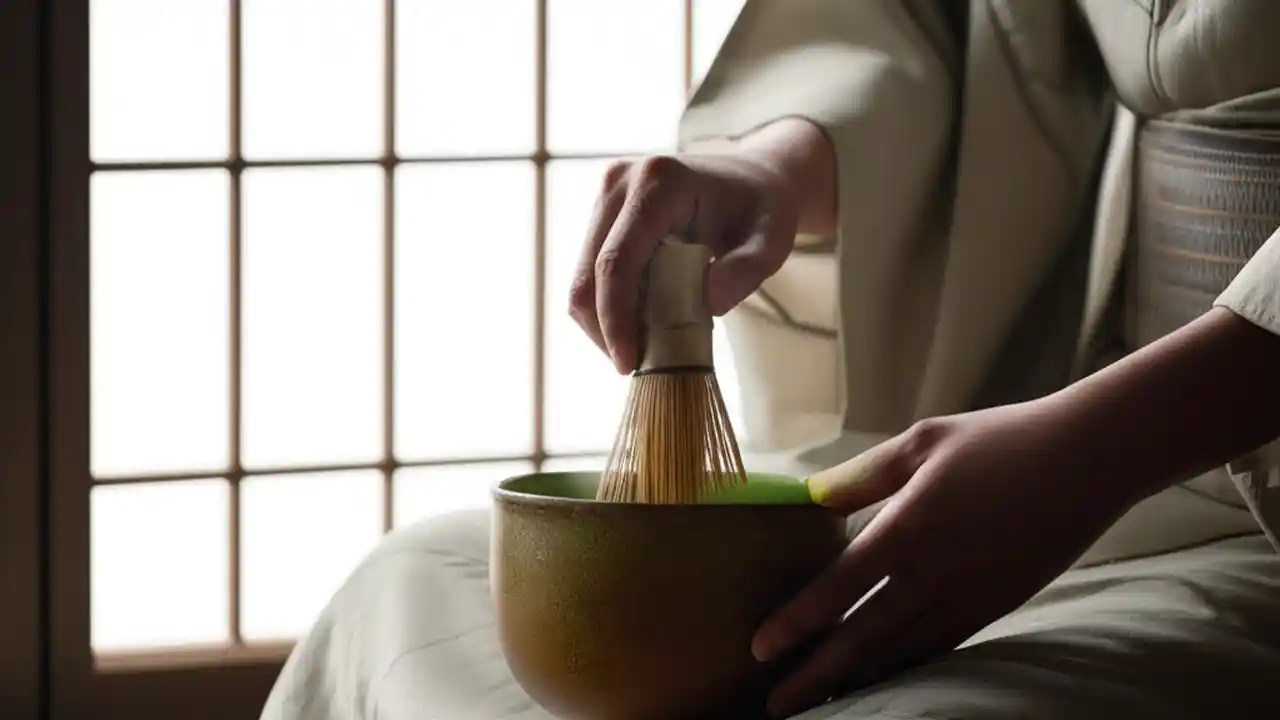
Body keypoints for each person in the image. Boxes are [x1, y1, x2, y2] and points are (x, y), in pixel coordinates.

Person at [261, 2, 1280, 718]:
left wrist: (1098, 452)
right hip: (1076, 408)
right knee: (405, 590)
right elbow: (975, 25)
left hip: (1237, 474)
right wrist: (777, 165)